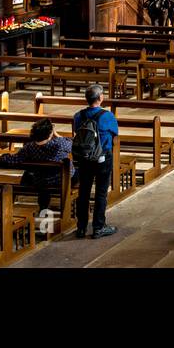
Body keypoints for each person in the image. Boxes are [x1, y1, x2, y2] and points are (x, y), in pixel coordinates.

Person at [73, 84, 120, 239]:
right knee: (100, 193)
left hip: (84, 159)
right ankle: (98, 227)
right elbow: (114, 135)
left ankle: (81, 228)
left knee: (83, 192)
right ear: (100, 98)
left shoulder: (78, 116)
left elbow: (76, 133)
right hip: (102, 158)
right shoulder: (108, 116)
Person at [0, 118, 73, 211]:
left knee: (38, 177)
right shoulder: (59, 144)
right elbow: (71, 144)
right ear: (50, 134)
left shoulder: (30, 147)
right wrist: (56, 134)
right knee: (78, 172)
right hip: (60, 179)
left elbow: (14, 159)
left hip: (40, 180)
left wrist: (3, 156)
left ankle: (43, 208)